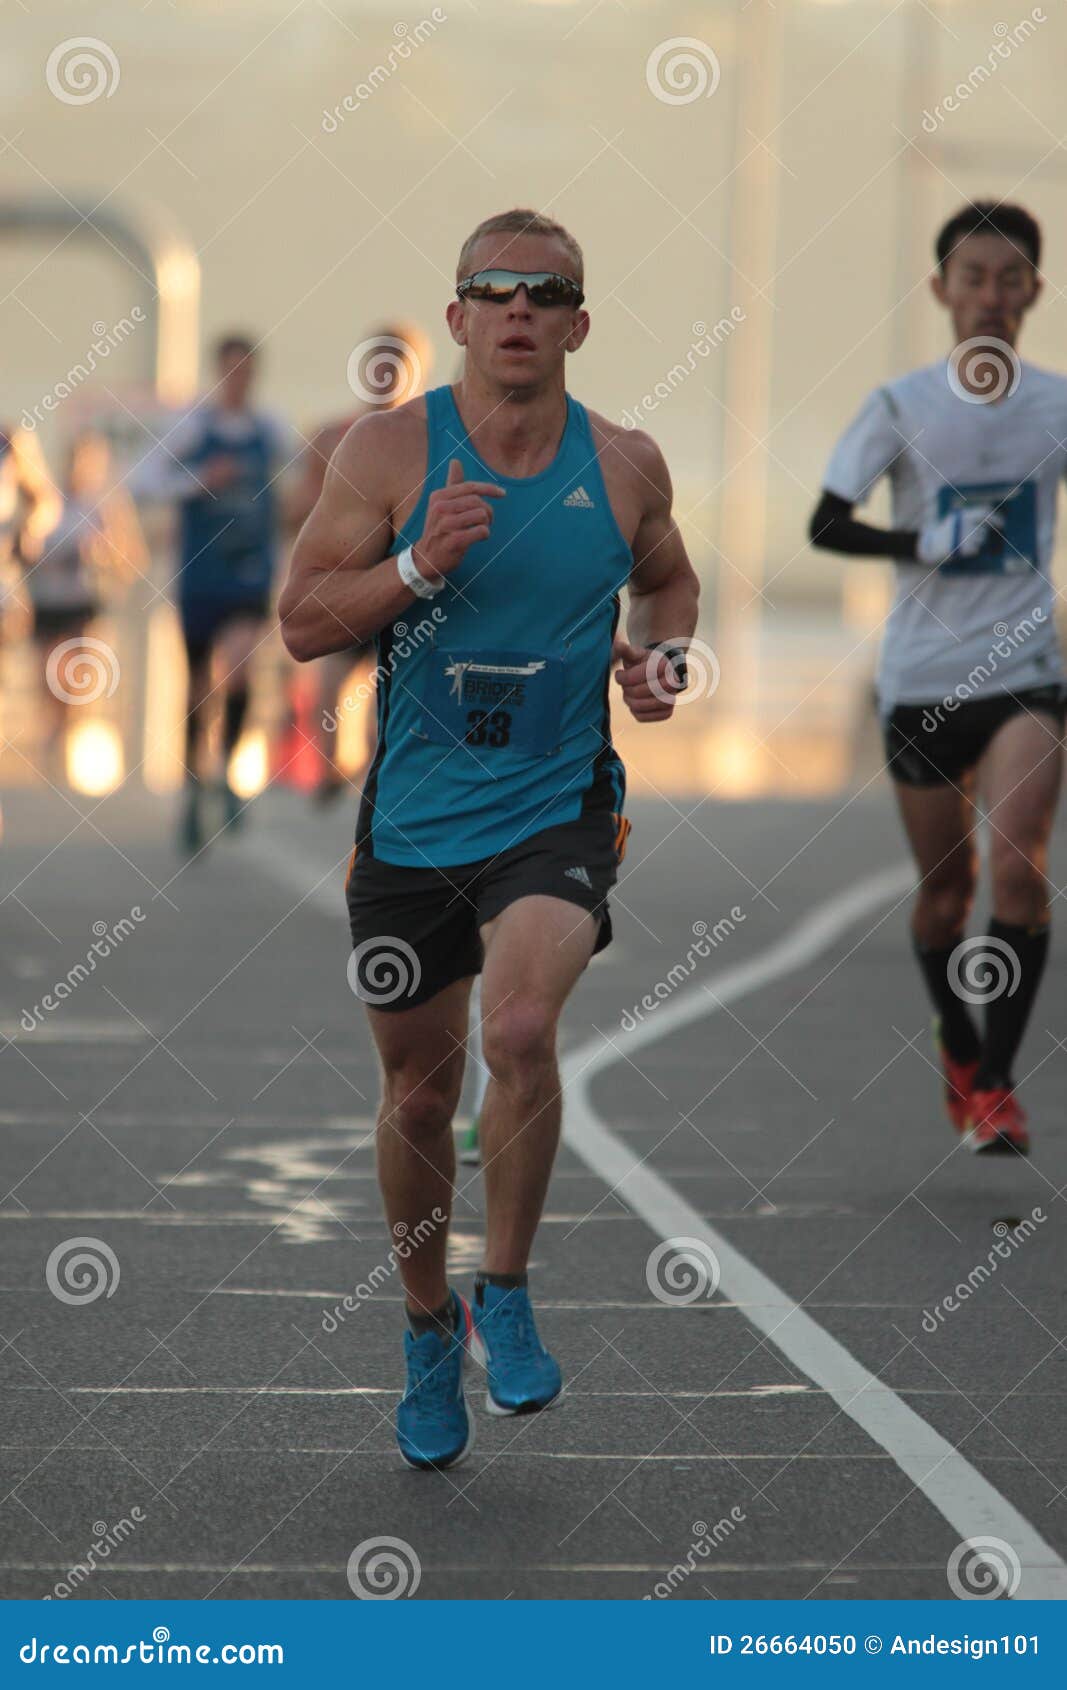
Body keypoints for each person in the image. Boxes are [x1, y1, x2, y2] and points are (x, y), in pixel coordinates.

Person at [280, 208, 699, 1470]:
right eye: (493, 290)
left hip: (553, 808)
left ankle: (503, 1290)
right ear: (457, 317)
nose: (518, 309)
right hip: (411, 821)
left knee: (517, 1029)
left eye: (545, 292)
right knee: (418, 1092)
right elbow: (303, 621)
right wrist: (414, 567)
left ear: (577, 322)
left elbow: (668, 577)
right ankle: (425, 1329)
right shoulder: (389, 450)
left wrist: (668, 653)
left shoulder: (623, 463)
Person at [810, 200, 1065, 1156]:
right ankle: (956, 1042)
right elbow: (826, 522)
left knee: (1018, 867)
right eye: (973, 277)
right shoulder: (898, 407)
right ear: (941, 291)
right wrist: (921, 537)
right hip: (921, 680)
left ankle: (996, 1083)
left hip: (1025, 673)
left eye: (1009, 279)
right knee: (946, 895)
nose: (991, 296)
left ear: (1034, 292)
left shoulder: (1054, 404)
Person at [137, 334, 295, 851]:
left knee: (241, 664)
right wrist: (201, 480)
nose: (238, 382)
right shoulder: (192, 426)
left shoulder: (270, 430)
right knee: (198, 681)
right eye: (230, 372)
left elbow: (303, 480)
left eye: (246, 372)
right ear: (218, 372)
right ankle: (192, 786)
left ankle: (228, 769)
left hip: (249, 570)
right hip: (200, 573)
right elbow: (144, 480)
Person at [287, 325, 430, 805]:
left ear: (416, 372)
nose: (385, 375)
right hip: (349, 586)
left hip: (408, 588)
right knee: (329, 683)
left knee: (385, 703)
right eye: (378, 363)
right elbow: (298, 513)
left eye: (397, 364)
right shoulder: (331, 438)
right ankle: (329, 772)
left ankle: (381, 781)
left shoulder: (431, 435)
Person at [23, 431, 146, 774]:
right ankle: (51, 745)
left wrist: (100, 554)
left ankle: (67, 746)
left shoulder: (103, 509)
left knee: (73, 679)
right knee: (48, 678)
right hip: (47, 603)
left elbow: (130, 560)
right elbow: (27, 548)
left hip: (83, 603)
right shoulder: (47, 502)